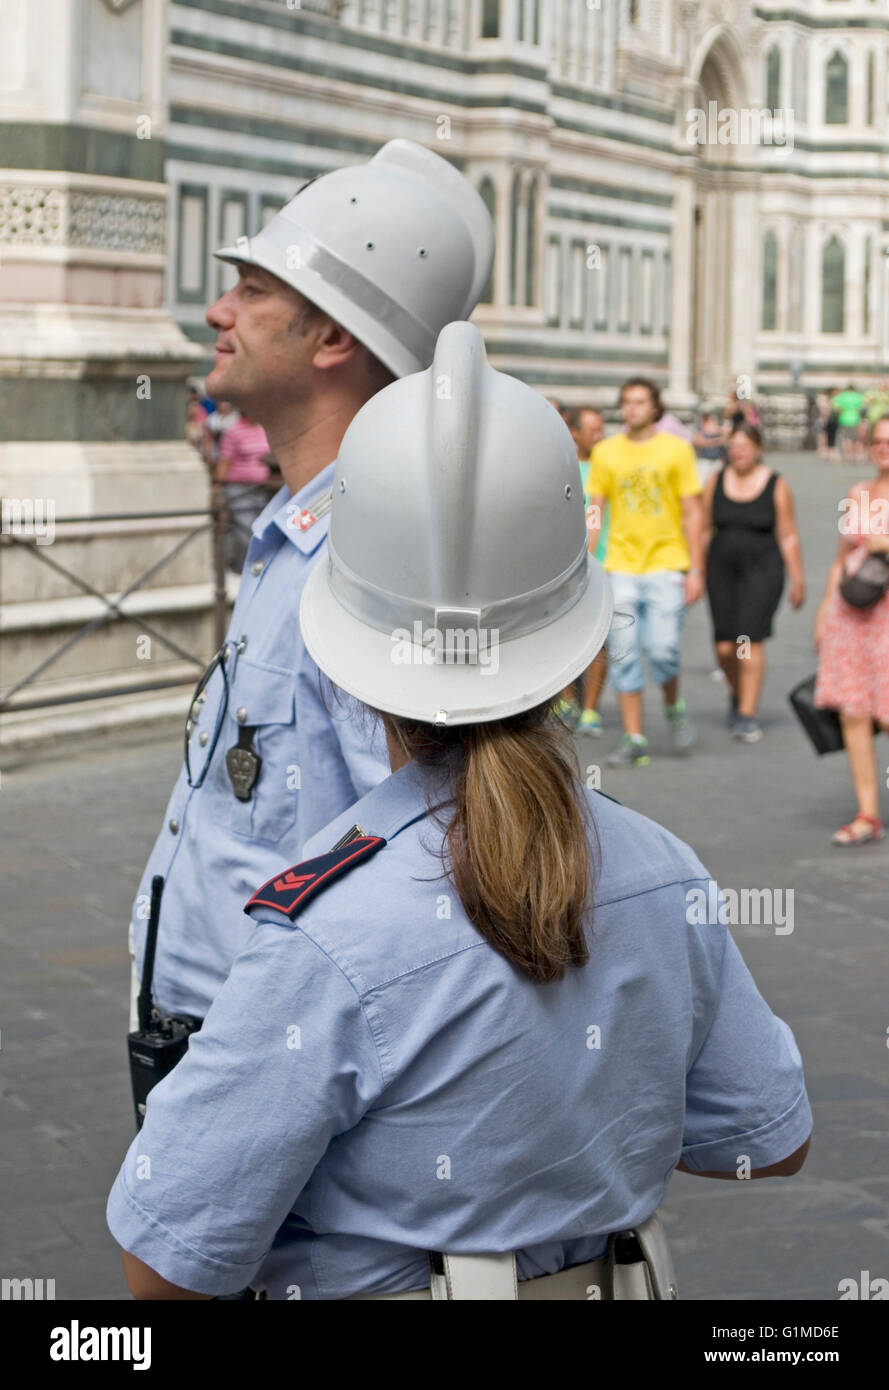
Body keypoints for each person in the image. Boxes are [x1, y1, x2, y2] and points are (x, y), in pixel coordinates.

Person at [108, 322, 812, 1302]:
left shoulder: (324, 931)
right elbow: (767, 1137)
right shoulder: (664, 872)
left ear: (353, 648)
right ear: (572, 635)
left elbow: (162, 1266)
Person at [125, 142, 494, 1037]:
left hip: (286, 1059)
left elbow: (428, 862)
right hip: (221, 1039)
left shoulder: (368, 566)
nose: (218, 310)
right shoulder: (293, 531)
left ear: (332, 338)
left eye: (253, 290)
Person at [587, 378, 704, 766]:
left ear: (655, 408)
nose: (632, 408)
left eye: (640, 402)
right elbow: (595, 510)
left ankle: (673, 704)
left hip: (667, 561)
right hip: (621, 564)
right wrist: (588, 561)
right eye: (627, 402)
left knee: (664, 648)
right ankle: (635, 736)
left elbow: (693, 512)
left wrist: (696, 569)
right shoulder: (605, 452)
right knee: (624, 651)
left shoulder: (677, 450)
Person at [702, 425, 805, 742]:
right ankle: (737, 691)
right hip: (721, 568)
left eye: (744, 446)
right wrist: (693, 570)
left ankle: (747, 712)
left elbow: (787, 535)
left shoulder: (776, 484)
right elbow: (704, 528)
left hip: (762, 569)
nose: (738, 452)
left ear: (759, 448)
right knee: (724, 645)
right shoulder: (716, 480)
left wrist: (797, 577)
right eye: (733, 446)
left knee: (748, 638)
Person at [813, 414, 889, 845]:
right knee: (854, 712)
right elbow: (841, 556)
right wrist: (826, 609)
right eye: (877, 441)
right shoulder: (857, 493)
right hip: (852, 613)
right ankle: (867, 813)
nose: (883, 448)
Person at [557, 406, 608, 733]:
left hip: (601, 558)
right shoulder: (562, 466)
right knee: (562, 633)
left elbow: (598, 515)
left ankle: (591, 708)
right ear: (575, 433)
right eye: (593, 429)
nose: (600, 436)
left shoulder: (608, 465)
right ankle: (565, 698)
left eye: (602, 429)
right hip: (563, 562)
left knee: (600, 637)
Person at [214, 410, 272, 573]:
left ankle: (250, 568)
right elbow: (224, 462)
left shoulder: (263, 428)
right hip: (239, 489)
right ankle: (244, 570)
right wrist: (217, 489)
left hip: (261, 489)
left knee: (259, 530)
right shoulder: (233, 431)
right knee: (245, 532)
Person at [831, 383, 865, 462]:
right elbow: (863, 406)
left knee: (844, 438)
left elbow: (833, 404)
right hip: (855, 419)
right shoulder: (857, 396)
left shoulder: (843, 396)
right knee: (855, 438)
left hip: (844, 419)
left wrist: (841, 410)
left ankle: (846, 455)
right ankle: (855, 454)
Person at [693, 410, 727, 488]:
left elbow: (725, 439)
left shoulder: (718, 429)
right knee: (702, 482)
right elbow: (699, 442)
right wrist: (715, 441)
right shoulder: (701, 429)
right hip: (705, 460)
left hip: (717, 460)